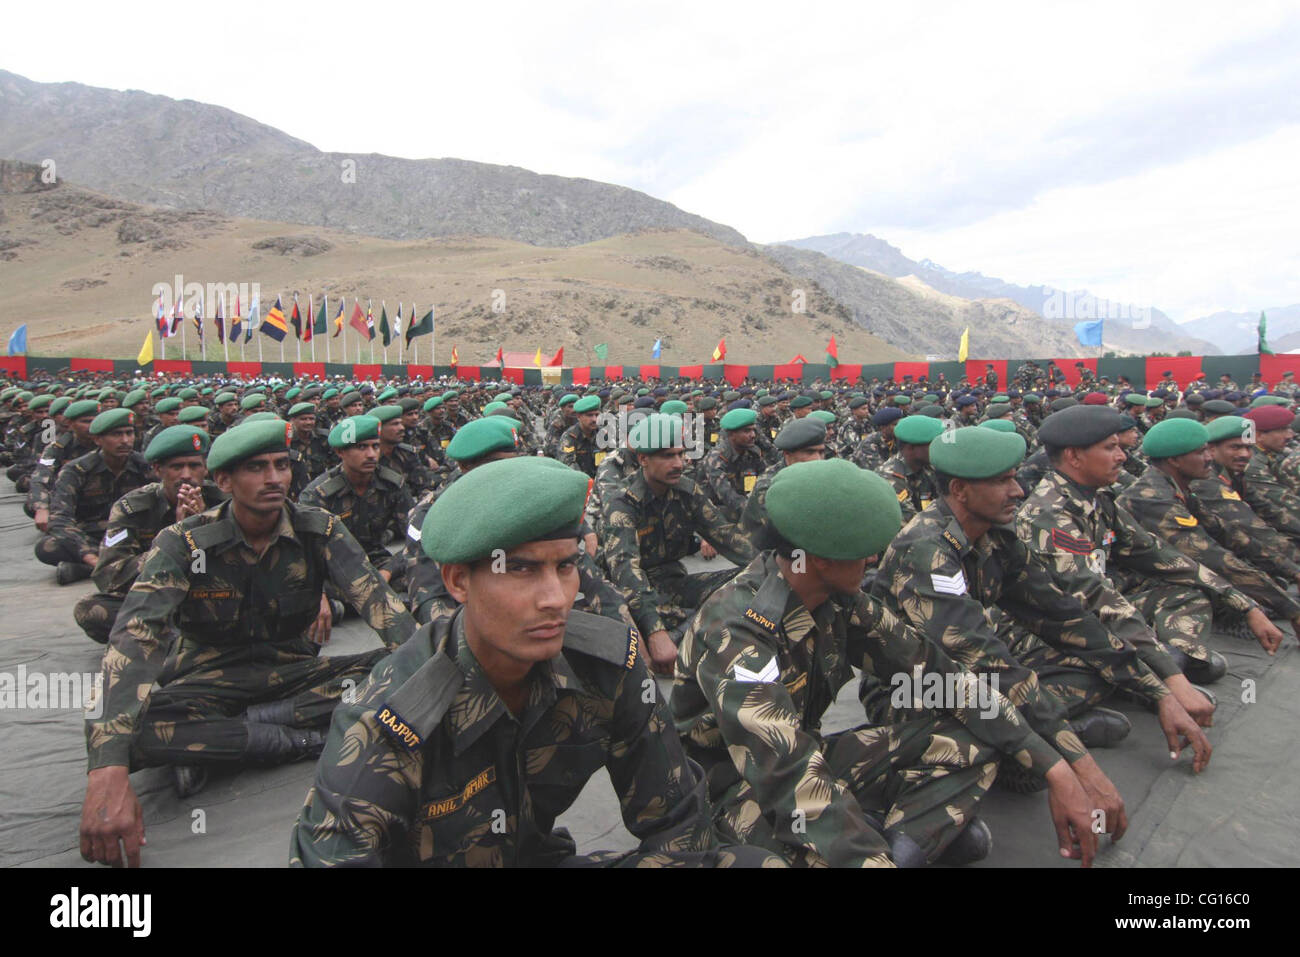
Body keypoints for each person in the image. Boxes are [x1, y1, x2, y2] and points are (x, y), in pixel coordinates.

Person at [290, 456, 778, 868]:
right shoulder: (390, 721)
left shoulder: (606, 666)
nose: (554, 598)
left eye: (564, 566)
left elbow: (678, 826)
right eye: (521, 569)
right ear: (458, 581)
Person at [675, 458, 1109, 867]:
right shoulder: (737, 630)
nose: (873, 560)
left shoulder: (840, 600)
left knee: (970, 740)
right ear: (819, 556)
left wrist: (1058, 768)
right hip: (728, 792)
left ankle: (896, 843)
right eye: (864, 549)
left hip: (801, 761)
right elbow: (784, 772)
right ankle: (891, 836)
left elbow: (941, 676)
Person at [79, 420, 416, 867]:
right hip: (207, 678)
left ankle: (237, 737)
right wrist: (106, 773)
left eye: (281, 465)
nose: (274, 478)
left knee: (393, 672)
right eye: (256, 468)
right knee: (126, 729)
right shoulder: (183, 542)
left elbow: (388, 614)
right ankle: (303, 739)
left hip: (295, 675)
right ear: (223, 481)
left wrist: (427, 679)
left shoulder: (320, 530)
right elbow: (133, 643)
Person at [874, 426, 1209, 800]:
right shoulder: (925, 549)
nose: (1017, 491)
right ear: (959, 491)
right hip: (912, 690)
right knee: (987, 713)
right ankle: (1034, 745)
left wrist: (1160, 690)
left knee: (1095, 667)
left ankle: (1032, 740)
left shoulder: (995, 534)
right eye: (1003, 481)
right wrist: (1078, 763)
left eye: (1015, 478)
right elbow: (986, 662)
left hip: (972, 675)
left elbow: (1062, 615)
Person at [1017, 406, 1283, 687]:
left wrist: (1245, 605)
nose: (1122, 456)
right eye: (1110, 448)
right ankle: (1158, 671)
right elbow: (1095, 598)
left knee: (1184, 593)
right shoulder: (1048, 515)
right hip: (1059, 622)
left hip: (1098, 605)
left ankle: (1174, 658)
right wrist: (1171, 678)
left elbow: (1158, 554)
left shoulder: (1098, 498)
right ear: (1074, 456)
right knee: (1091, 673)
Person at [600, 413, 757, 675]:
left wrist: (771, 568)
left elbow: (728, 538)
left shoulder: (687, 491)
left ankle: (685, 632)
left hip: (671, 583)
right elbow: (626, 572)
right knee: (623, 627)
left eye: (680, 454)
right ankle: (686, 633)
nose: (678, 463)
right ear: (643, 459)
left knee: (750, 580)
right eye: (667, 456)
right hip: (629, 595)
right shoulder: (622, 503)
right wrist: (654, 630)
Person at [1118, 419, 1299, 643]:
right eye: (1202, 452)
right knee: (1200, 592)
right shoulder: (1152, 497)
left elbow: (1232, 537)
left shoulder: (1178, 489)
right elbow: (1210, 556)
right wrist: (1288, 608)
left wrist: (1293, 572)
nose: (1209, 458)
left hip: (1154, 575)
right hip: (1125, 588)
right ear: (1175, 460)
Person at [72, 426, 226, 643]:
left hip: (216, 595)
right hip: (159, 595)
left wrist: (204, 528)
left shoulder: (223, 501)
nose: (186, 475)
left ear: (205, 469)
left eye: (194, 466)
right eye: (176, 467)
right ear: (157, 469)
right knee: (91, 609)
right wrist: (176, 540)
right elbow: (110, 576)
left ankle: (170, 642)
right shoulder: (132, 507)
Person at [34, 408, 151, 584]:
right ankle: (116, 566)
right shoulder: (76, 470)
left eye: (129, 433)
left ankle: (86, 570)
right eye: (116, 435)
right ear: (97, 440)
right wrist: (88, 555)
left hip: (133, 533)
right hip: (92, 534)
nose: (125, 441)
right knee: (47, 547)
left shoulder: (144, 465)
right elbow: (60, 519)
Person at [299, 414, 415, 590]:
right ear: (340, 452)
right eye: (361, 447)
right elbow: (306, 552)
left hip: (377, 563)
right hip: (334, 570)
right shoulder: (319, 494)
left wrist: (389, 570)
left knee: (424, 576)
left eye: (375, 446)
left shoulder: (392, 484)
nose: (370, 455)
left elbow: (415, 537)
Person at [697, 407, 765, 525]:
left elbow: (765, 480)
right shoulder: (717, 458)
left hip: (743, 504)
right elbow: (727, 495)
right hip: (715, 508)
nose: (753, 435)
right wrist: (756, 512)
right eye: (747, 431)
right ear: (732, 434)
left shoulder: (752, 453)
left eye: (753, 430)